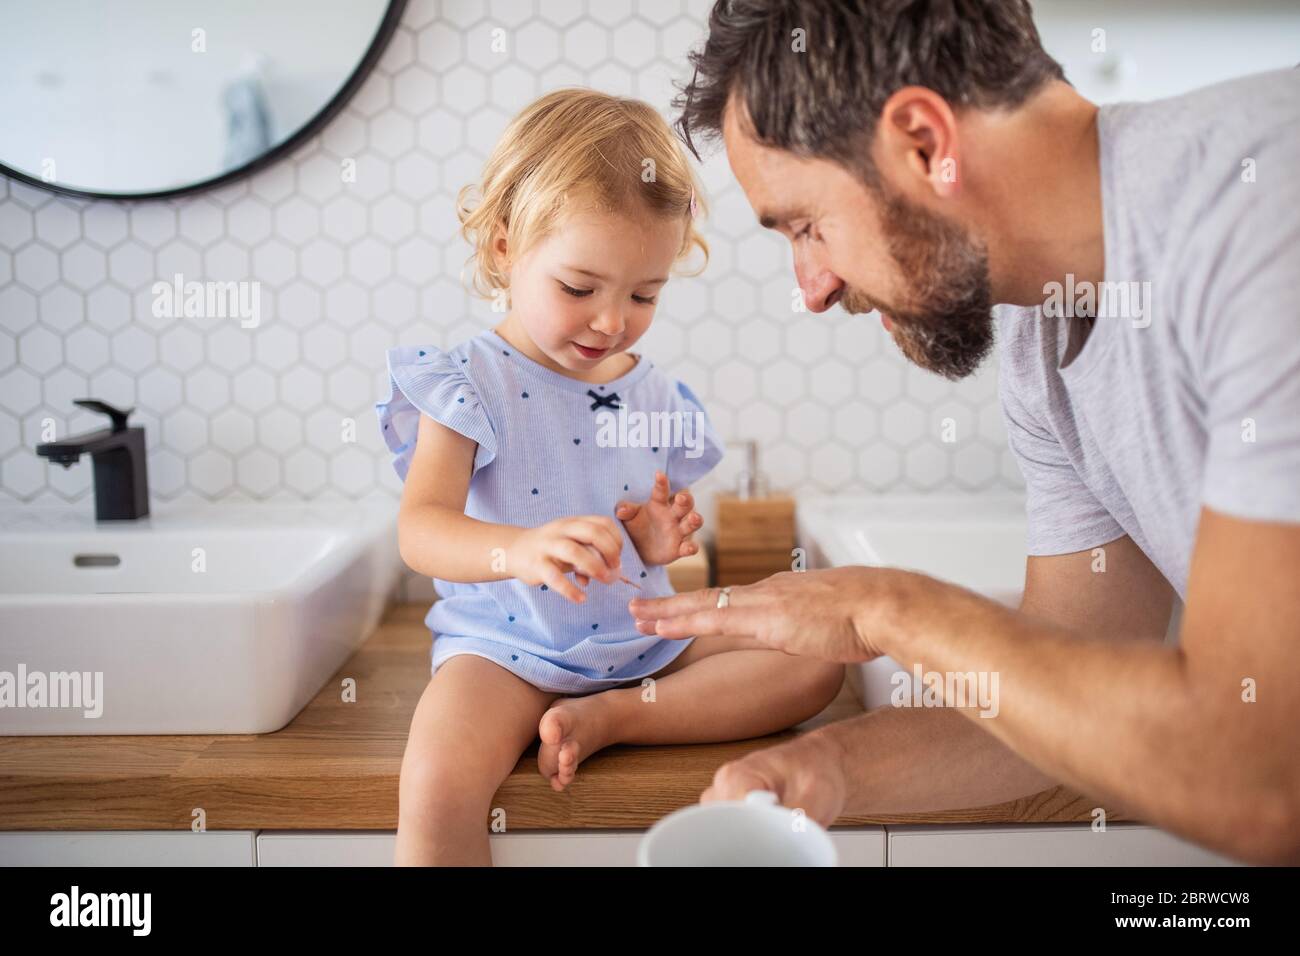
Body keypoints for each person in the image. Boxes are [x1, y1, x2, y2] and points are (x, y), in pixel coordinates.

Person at [628, 0, 1300, 864]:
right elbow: (1067, 675)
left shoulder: (1259, 216)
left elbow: (1260, 772)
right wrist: (822, 768)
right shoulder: (1040, 335)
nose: (814, 287)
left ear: (923, 141)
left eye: (806, 227)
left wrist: (888, 607)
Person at [376, 87, 844, 866]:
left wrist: (652, 542)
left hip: (640, 644)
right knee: (434, 784)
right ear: (503, 250)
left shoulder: (653, 392)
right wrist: (519, 552)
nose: (610, 320)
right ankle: (598, 713)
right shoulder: (465, 384)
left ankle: (618, 718)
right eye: (578, 288)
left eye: (644, 294)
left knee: (815, 661)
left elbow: (633, 537)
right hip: (505, 653)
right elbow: (422, 530)